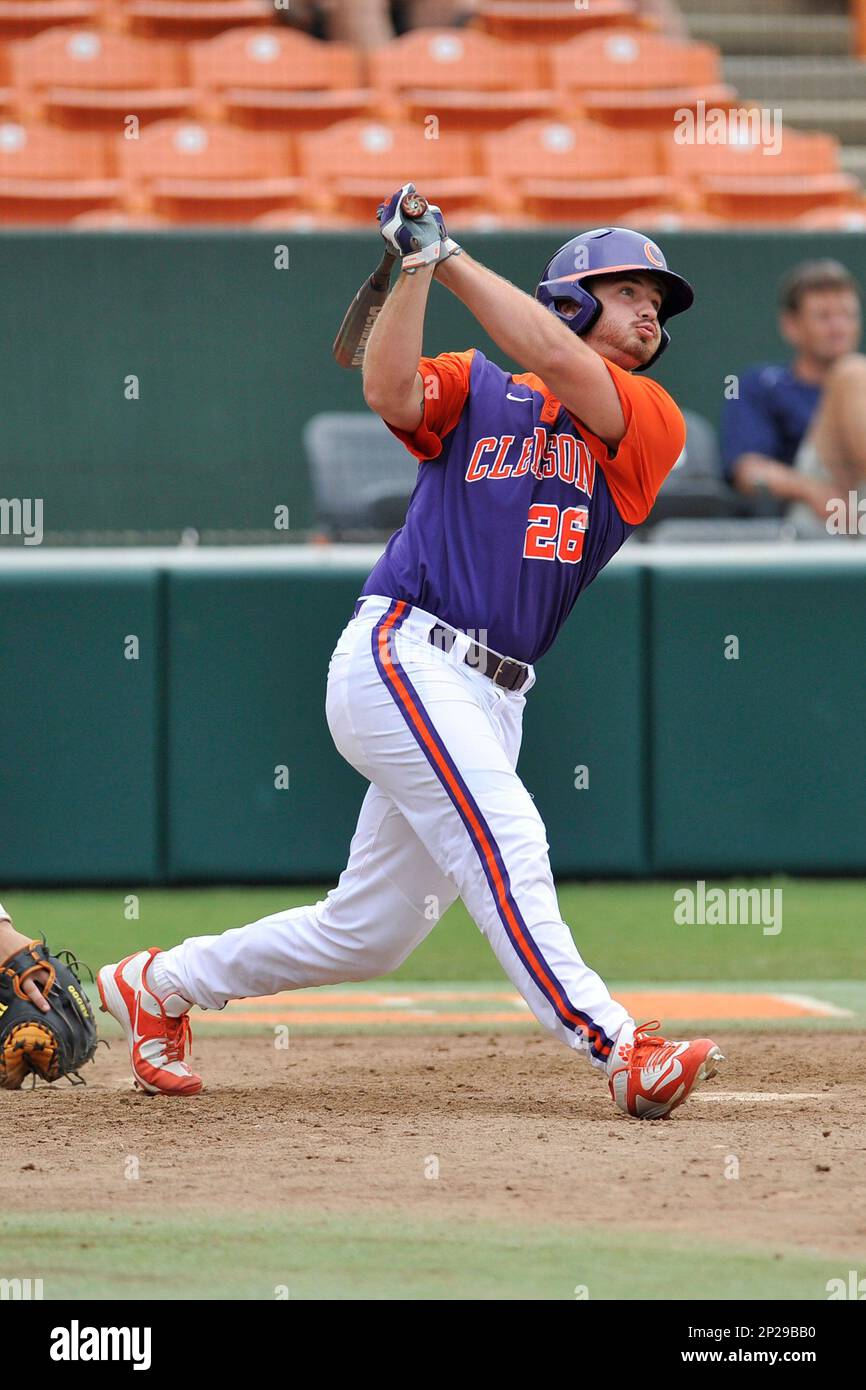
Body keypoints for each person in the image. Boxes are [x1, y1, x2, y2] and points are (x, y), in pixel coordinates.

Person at [7, 208, 724, 1119]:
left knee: (369, 933)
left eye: (658, 301)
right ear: (570, 296)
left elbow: (558, 359)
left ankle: (160, 982)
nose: (651, 313)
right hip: (405, 652)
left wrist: (447, 257)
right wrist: (416, 270)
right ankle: (620, 1047)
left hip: (496, 693)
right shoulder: (479, 384)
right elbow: (389, 392)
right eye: (627, 291)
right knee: (509, 839)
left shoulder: (649, 421)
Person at [721, 259, 865, 536]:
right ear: (791, 326)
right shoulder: (760, 383)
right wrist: (813, 491)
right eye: (824, 317)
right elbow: (747, 471)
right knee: (852, 372)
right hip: (809, 520)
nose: (839, 328)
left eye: (848, 315)